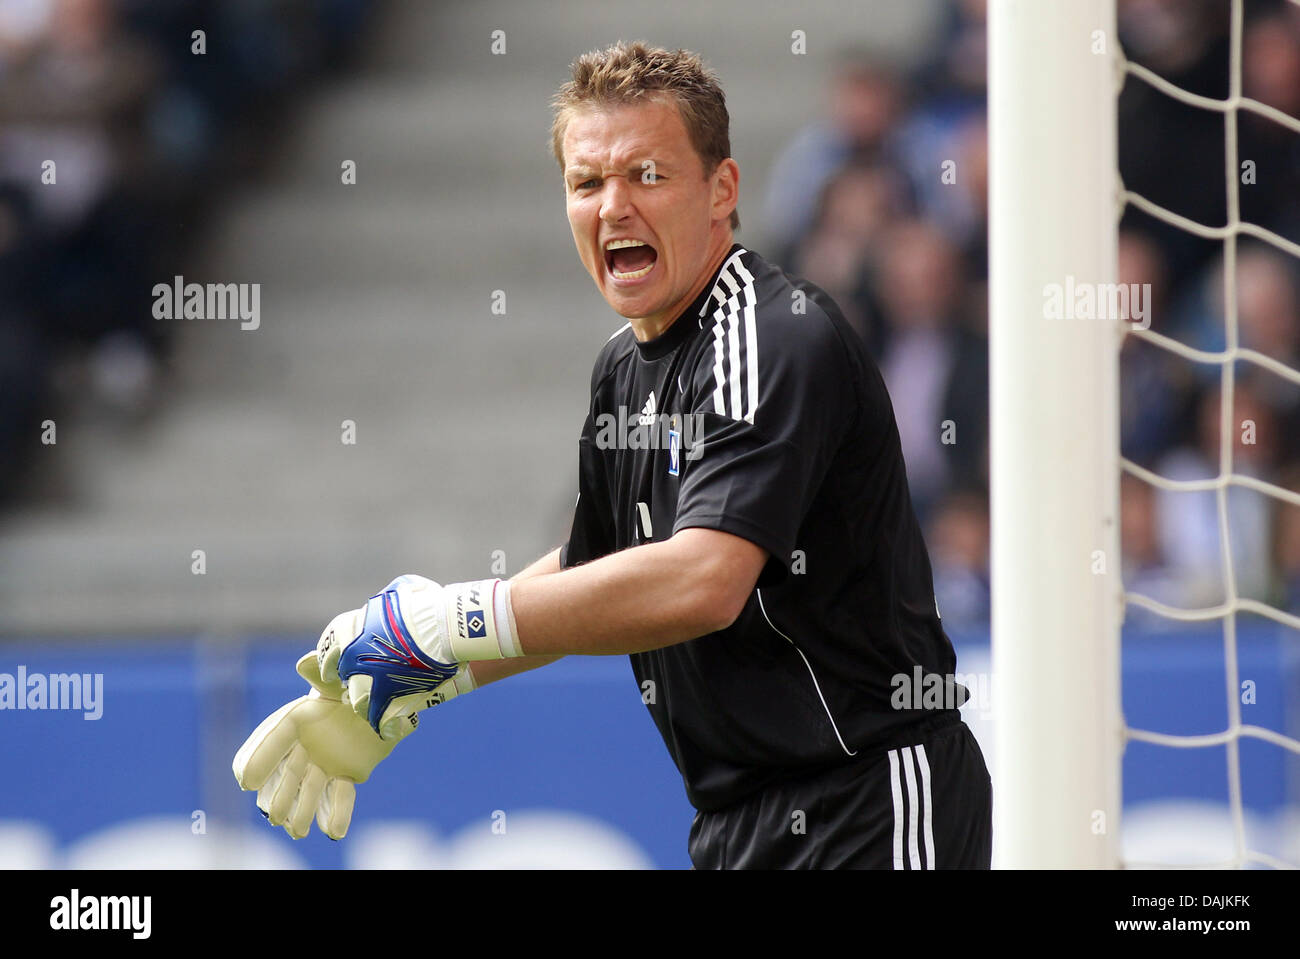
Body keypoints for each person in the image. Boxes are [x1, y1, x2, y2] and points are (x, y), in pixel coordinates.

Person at [233, 41, 992, 870]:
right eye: (587, 182)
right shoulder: (621, 369)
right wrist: (411, 683)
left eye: (648, 175)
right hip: (738, 822)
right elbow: (592, 575)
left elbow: (705, 579)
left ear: (722, 191)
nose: (614, 207)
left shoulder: (774, 337)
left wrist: (455, 622)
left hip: (871, 795)